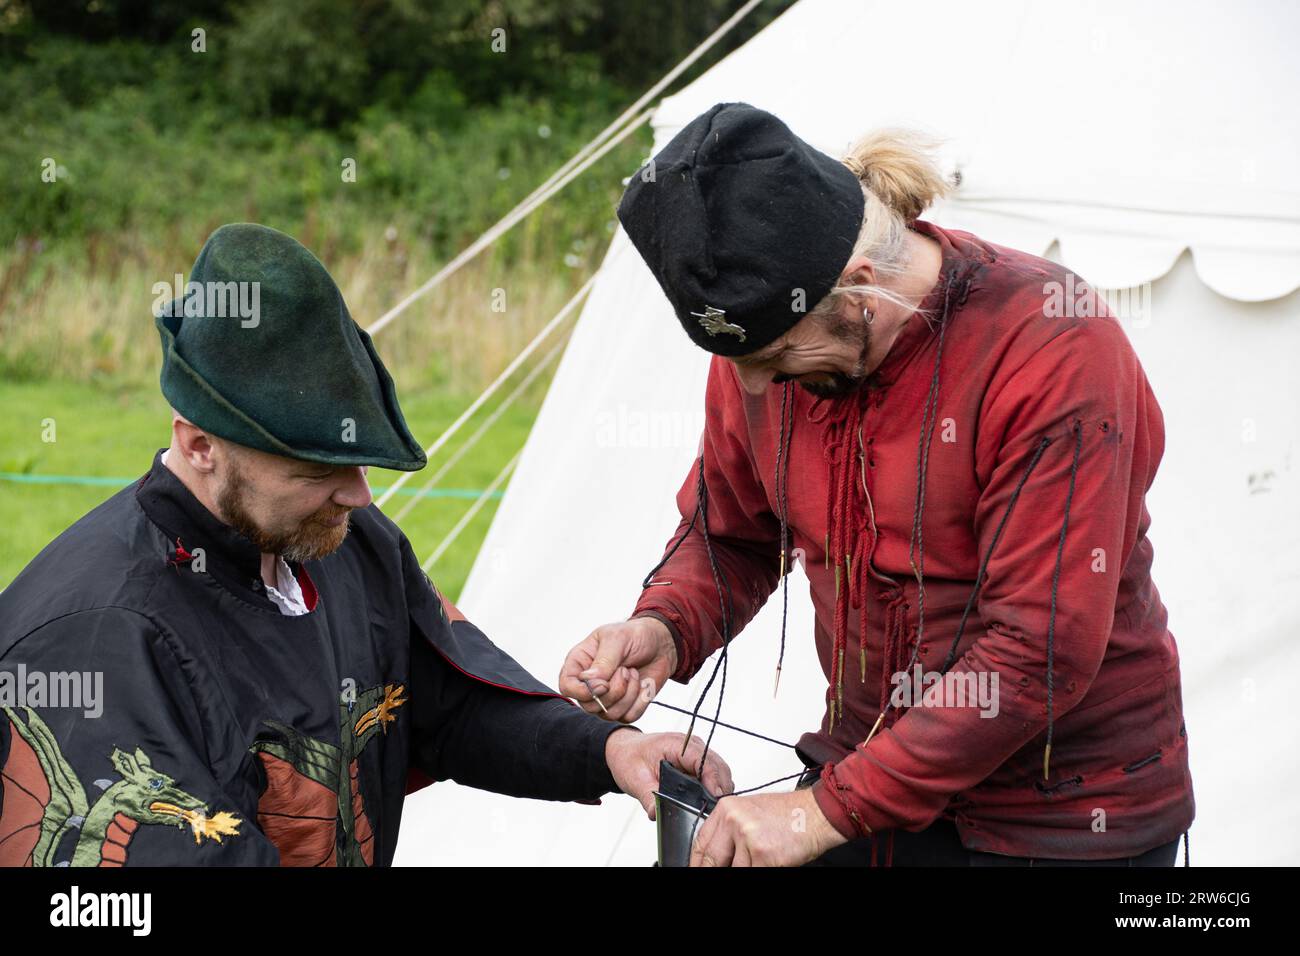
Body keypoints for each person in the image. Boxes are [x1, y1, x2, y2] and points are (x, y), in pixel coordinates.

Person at [559, 103, 1194, 867]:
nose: (754, 384)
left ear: (863, 289)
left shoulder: (1056, 350)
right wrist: (663, 628)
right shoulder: (760, 354)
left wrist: (824, 811)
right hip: (864, 792)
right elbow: (732, 534)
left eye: (778, 354)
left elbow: (1036, 648)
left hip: (1063, 826)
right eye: (740, 360)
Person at [0, 223, 730, 867]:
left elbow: (450, 708)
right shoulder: (97, 633)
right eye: (318, 470)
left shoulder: (345, 543)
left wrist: (608, 751)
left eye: (359, 462)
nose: (360, 495)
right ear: (198, 446)